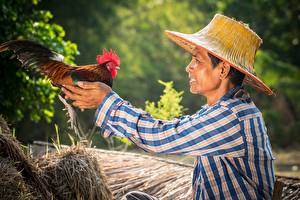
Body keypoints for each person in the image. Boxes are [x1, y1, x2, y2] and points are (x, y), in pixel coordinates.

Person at [62, 14, 275, 200]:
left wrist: (108, 101)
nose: (189, 67)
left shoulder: (232, 117)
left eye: (197, 60)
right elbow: (168, 131)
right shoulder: (221, 111)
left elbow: (161, 137)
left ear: (223, 70)